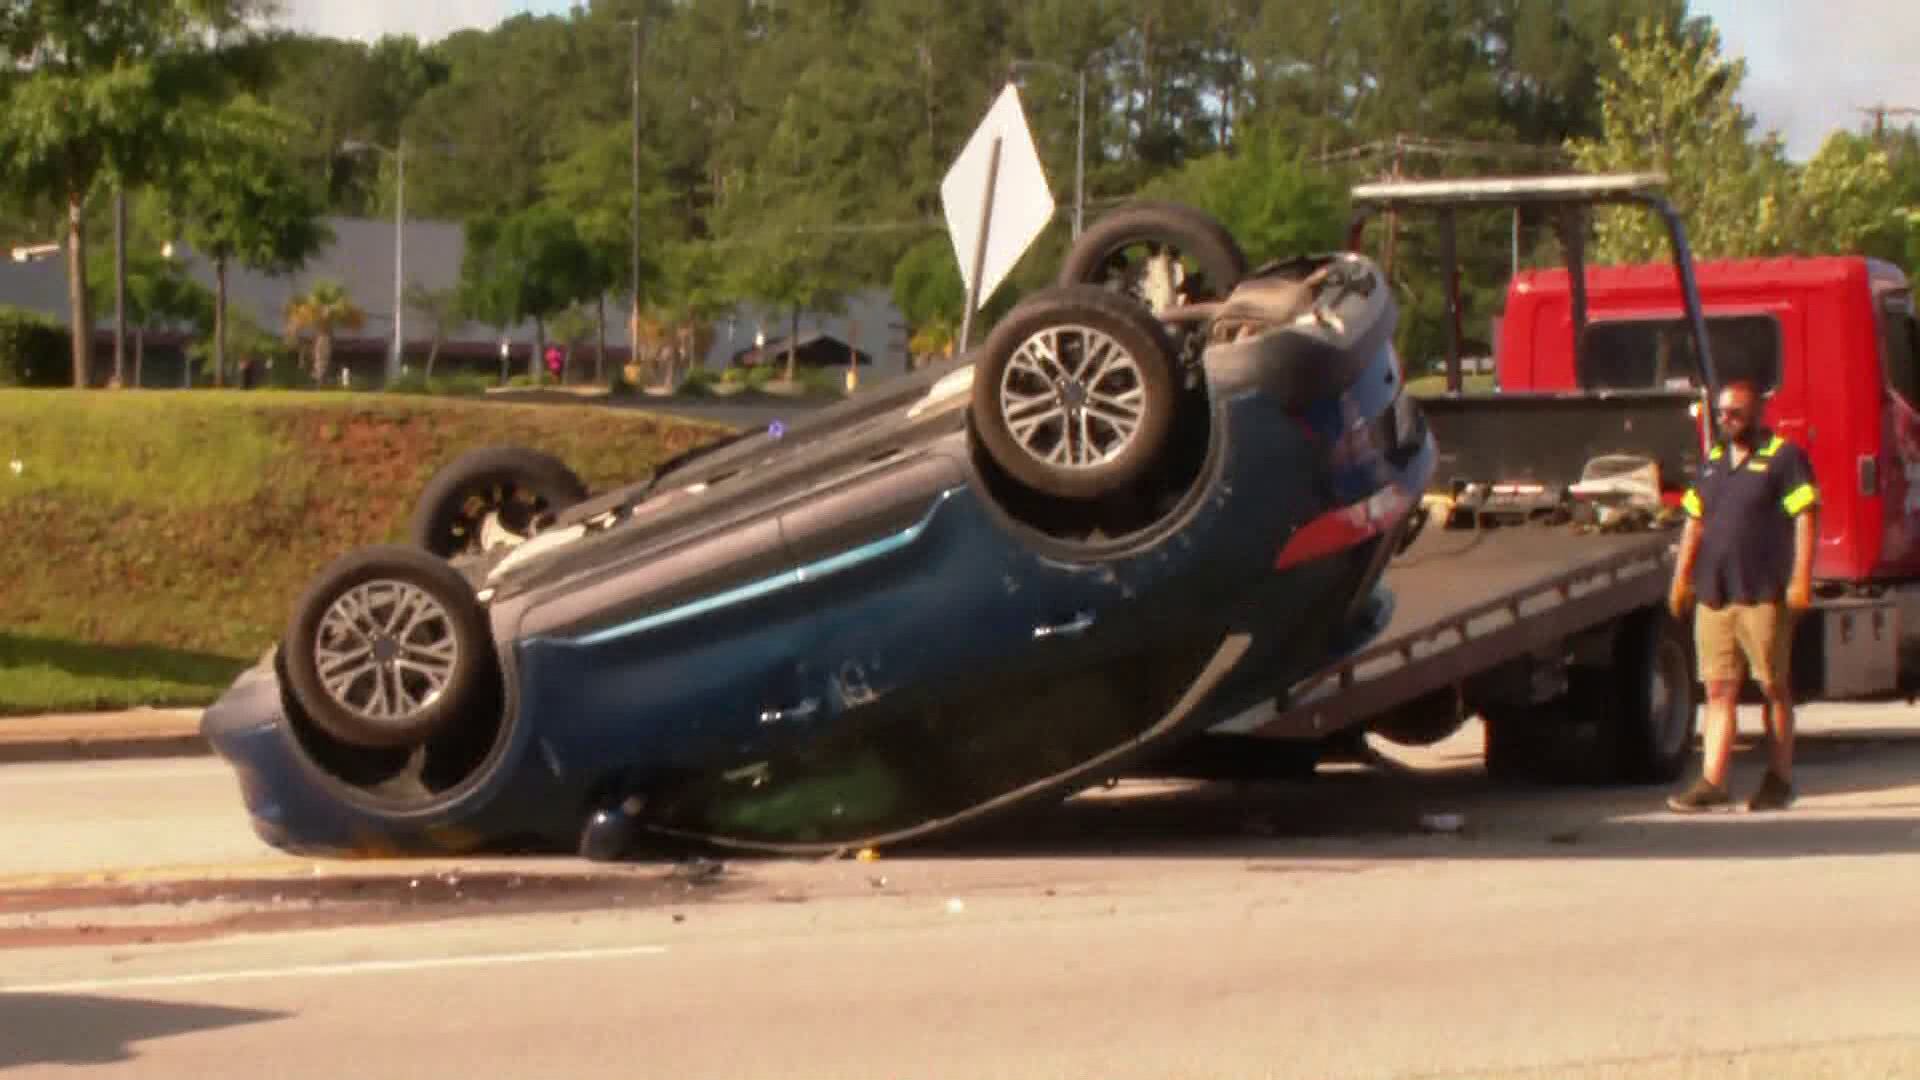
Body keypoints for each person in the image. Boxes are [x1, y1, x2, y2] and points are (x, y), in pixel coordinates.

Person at [1665, 379, 1819, 813]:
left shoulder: (1784, 458)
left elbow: (1806, 517)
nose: (1726, 420)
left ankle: (1779, 779)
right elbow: (1693, 523)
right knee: (1718, 689)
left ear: (1756, 414)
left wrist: (1800, 580)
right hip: (1715, 595)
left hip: (1763, 593)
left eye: (1735, 413)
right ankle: (1713, 781)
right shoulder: (1714, 462)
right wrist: (1681, 580)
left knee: (1773, 687)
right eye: (1722, 413)